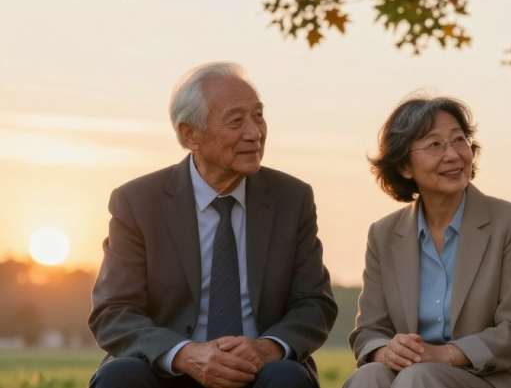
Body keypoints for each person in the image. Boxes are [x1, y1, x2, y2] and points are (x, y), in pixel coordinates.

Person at [88, 63, 338, 388]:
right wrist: (184, 354)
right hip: (168, 368)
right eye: (236, 121)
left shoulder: (292, 198)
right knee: (119, 377)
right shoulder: (137, 201)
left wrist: (268, 348)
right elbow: (114, 311)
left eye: (258, 116)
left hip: (260, 370)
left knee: (287, 378)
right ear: (189, 134)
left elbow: (314, 302)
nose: (254, 132)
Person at [344, 96, 511, 388]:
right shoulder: (383, 234)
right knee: (368, 377)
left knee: (418, 376)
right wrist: (388, 352)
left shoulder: (510, 221)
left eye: (459, 140)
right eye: (435, 145)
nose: (453, 155)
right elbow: (370, 330)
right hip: (410, 375)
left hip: (491, 378)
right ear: (404, 167)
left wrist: (443, 355)